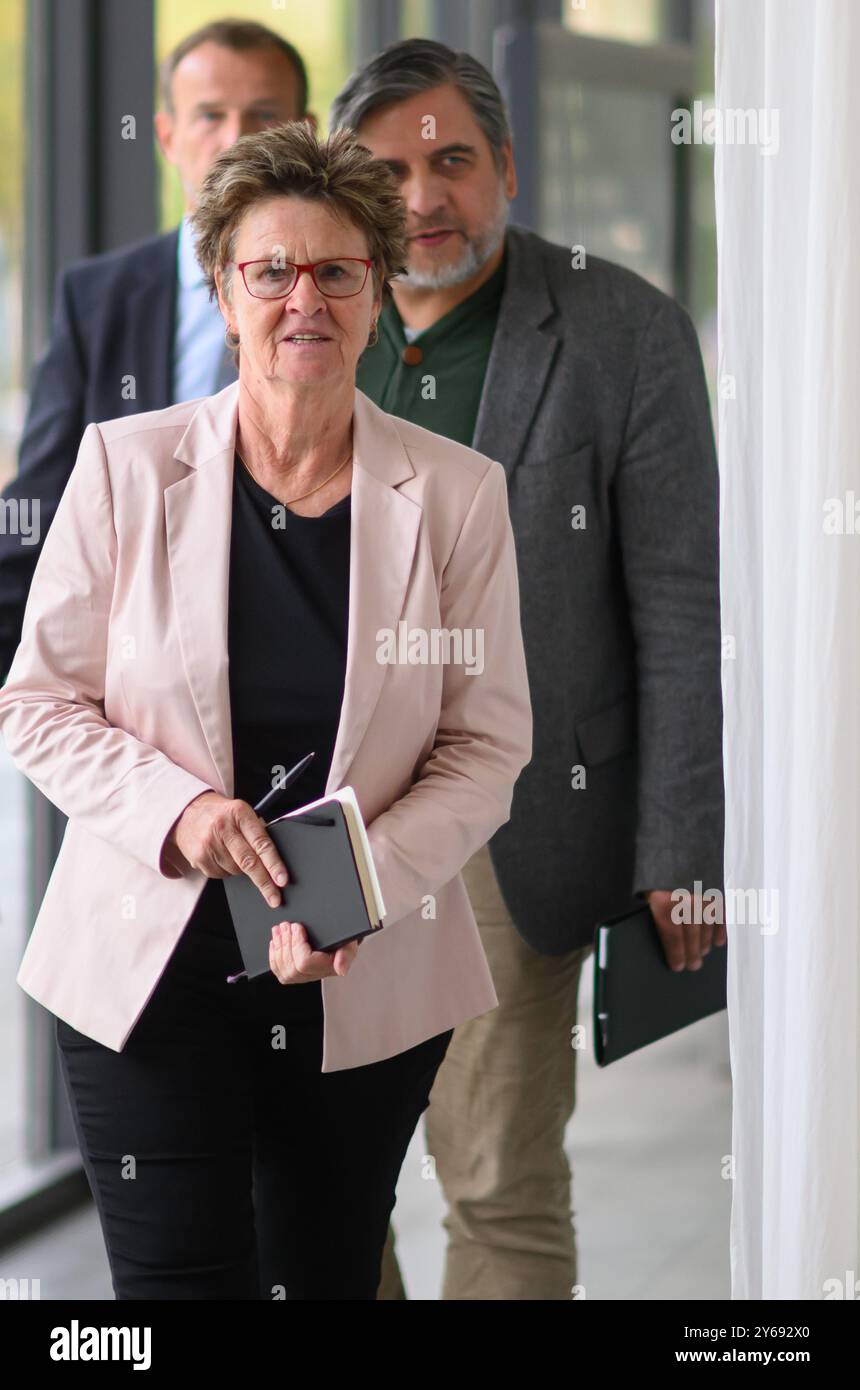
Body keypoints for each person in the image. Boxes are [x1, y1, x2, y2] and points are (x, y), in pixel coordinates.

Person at [0, 123, 532, 1301]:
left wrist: (358, 886)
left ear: (378, 293)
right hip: (148, 962)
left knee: (318, 1277)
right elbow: (38, 702)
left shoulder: (455, 498)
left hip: (357, 970)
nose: (305, 298)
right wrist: (181, 811)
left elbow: (484, 745)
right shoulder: (125, 467)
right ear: (224, 292)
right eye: (270, 271)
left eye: (337, 270)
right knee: (177, 1284)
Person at [330, 38, 726, 1301]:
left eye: (452, 159)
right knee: (317, 1170)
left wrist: (680, 850)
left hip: (508, 814)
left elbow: (676, 605)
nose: (423, 195)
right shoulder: (308, 313)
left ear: (505, 163)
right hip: (318, 819)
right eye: (387, 169)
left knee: (494, 1174)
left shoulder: (622, 332)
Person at [0, 17, 315, 680]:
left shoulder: (348, 292)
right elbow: (39, 507)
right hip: (124, 692)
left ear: (305, 130)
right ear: (167, 135)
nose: (237, 139)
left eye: (263, 114)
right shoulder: (98, 297)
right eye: (210, 116)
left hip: (306, 680)